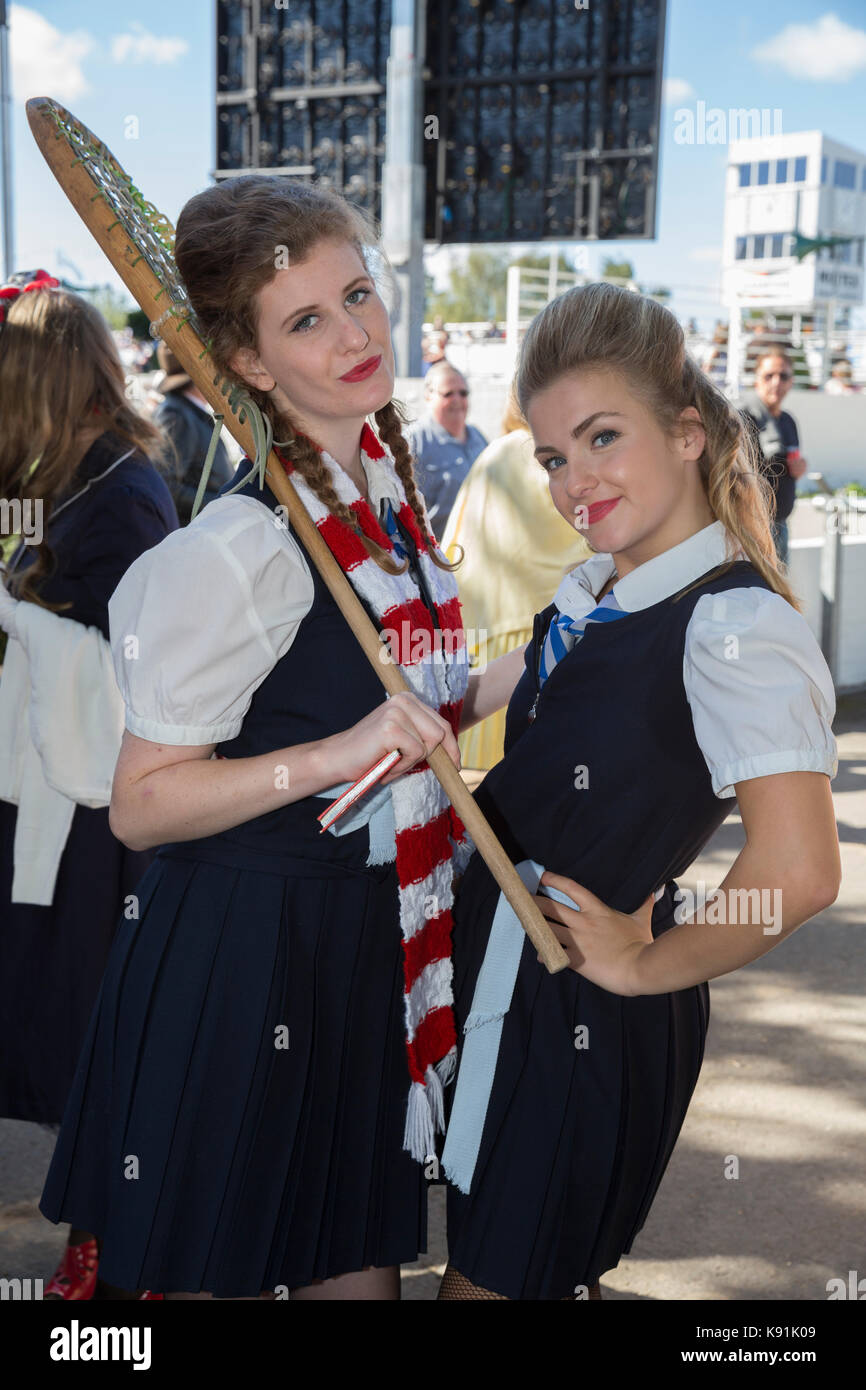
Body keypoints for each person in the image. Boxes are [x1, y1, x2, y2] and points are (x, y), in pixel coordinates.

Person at [38, 178, 527, 1301]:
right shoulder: (239, 546)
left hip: (359, 943)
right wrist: (327, 755)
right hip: (246, 951)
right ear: (248, 363)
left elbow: (425, 725)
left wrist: (556, 651)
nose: (355, 333)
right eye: (305, 319)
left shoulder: (382, 505)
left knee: (352, 1272)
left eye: (357, 294)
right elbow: (143, 804)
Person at [437, 282, 840, 1301]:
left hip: (581, 1015)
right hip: (513, 989)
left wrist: (651, 962)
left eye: (602, 437)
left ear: (688, 432)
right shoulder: (597, 590)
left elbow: (795, 871)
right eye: (552, 457)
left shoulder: (730, 625)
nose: (575, 480)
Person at [0, 276, 178, 1301]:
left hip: (98, 823)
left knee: (97, 1034)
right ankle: (106, 1241)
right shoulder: (82, 469)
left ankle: (122, 1251)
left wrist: (22, 622)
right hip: (71, 812)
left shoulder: (117, 491)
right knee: (82, 1032)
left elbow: (127, 667)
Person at [441, 392, 590, 770]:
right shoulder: (560, 456)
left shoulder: (494, 453)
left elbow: (453, 544)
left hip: (481, 639)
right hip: (547, 644)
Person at [737, 347, 807, 566]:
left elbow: (790, 462)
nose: (776, 382)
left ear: (791, 382)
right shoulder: (743, 417)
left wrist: (799, 468)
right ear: (757, 380)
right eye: (769, 376)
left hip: (781, 524)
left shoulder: (788, 421)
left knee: (778, 596)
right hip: (750, 528)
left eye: (783, 376)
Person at [152, 342, 235, 524]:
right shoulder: (175, 416)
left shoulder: (185, 410)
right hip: (205, 529)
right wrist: (223, 506)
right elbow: (168, 485)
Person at [407, 361, 488, 542]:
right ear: (429, 396)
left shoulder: (478, 438)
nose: (457, 400)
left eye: (463, 393)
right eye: (448, 394)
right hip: (435, 554)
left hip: (477, 551)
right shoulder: (414, 441)